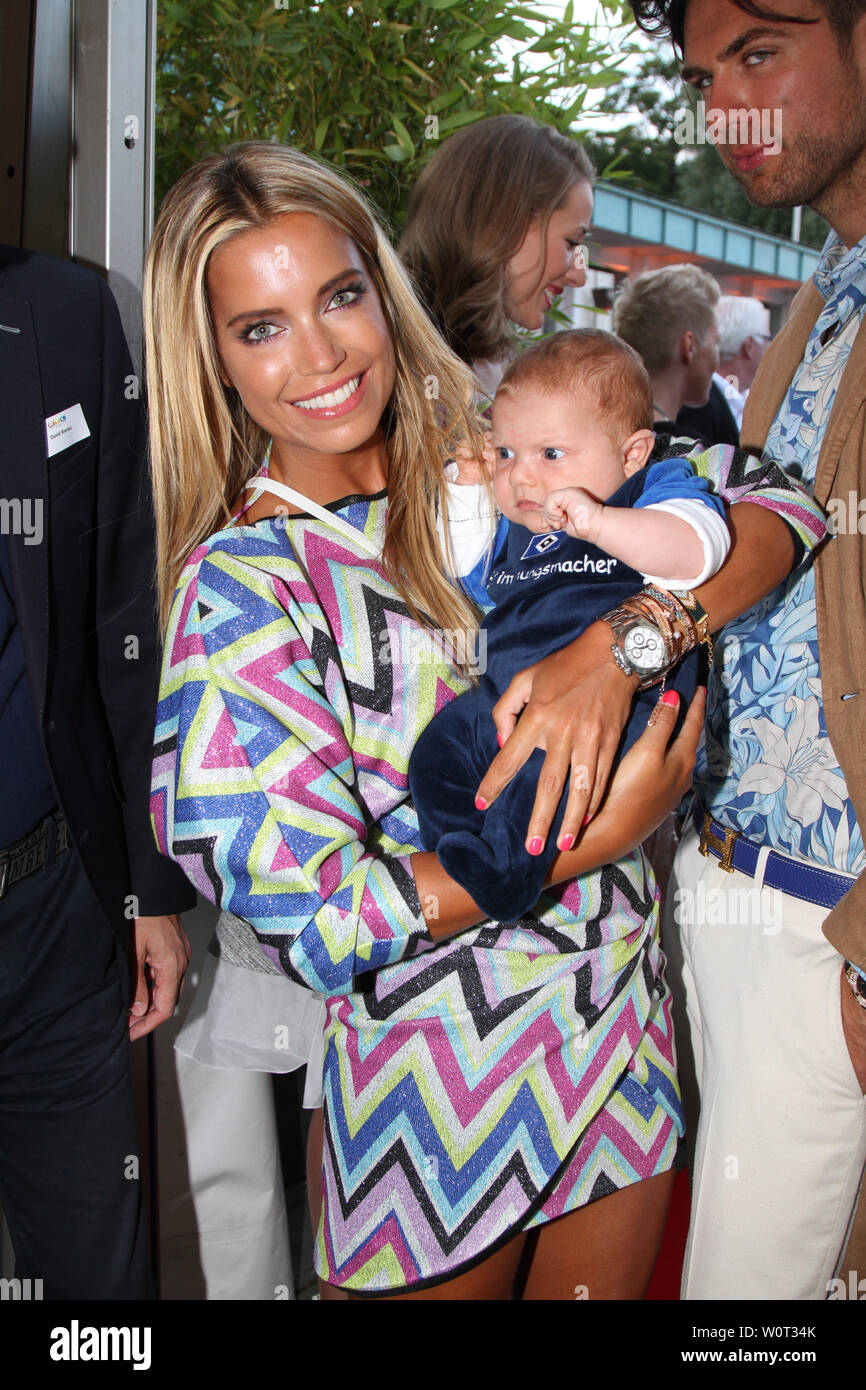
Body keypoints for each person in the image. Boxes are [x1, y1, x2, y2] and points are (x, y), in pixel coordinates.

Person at [144, 141, 827, 1299]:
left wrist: (618, 647)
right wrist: (582, 843)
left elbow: (774, 501)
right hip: (433, 1081)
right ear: (208, 359)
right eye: (259, 328)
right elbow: (321, 916)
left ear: (381, 287)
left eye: (339, 296)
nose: (317, 356)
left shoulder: (499, 447)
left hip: (618, 1024)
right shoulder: (243, 588)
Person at [628, 0, 866, 1300]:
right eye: (704, 76)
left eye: (759, 53)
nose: (727, 113)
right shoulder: (819, 291)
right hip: (742, 892)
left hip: (831, 923)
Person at [0, 245, 193, 1298]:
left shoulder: (61, 313)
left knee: (98, 1296)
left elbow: (126, 609)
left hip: (52, 907)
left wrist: (144, 886)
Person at [410, 329, 729, 922]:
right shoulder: (517, 526)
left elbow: (701, 551)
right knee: (435, 757)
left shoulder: (651, 489)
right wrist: (467, 483)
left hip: (623, 701)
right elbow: (458, 569)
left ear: (631, 453)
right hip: (503, 694)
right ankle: (462, 848)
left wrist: (604, 524)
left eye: (550, 454)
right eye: (506, 453)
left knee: (542, 781)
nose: (523, 479)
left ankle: (508, 870)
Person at [400, 114, 594, 399]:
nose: (579, 276)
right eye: (571, 242)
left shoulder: (490, 363)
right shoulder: (390, 363)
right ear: (504, 223)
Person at [612, 263, 722, 441]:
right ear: (689, 346)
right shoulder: (694, 457)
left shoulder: (599, 432)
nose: (719, 357)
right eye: (717, 342)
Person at [678, 295, 772, 441]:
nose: (771, 348)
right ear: (750, 345)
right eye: (768, 339)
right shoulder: (698, 405)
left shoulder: (730, 401)